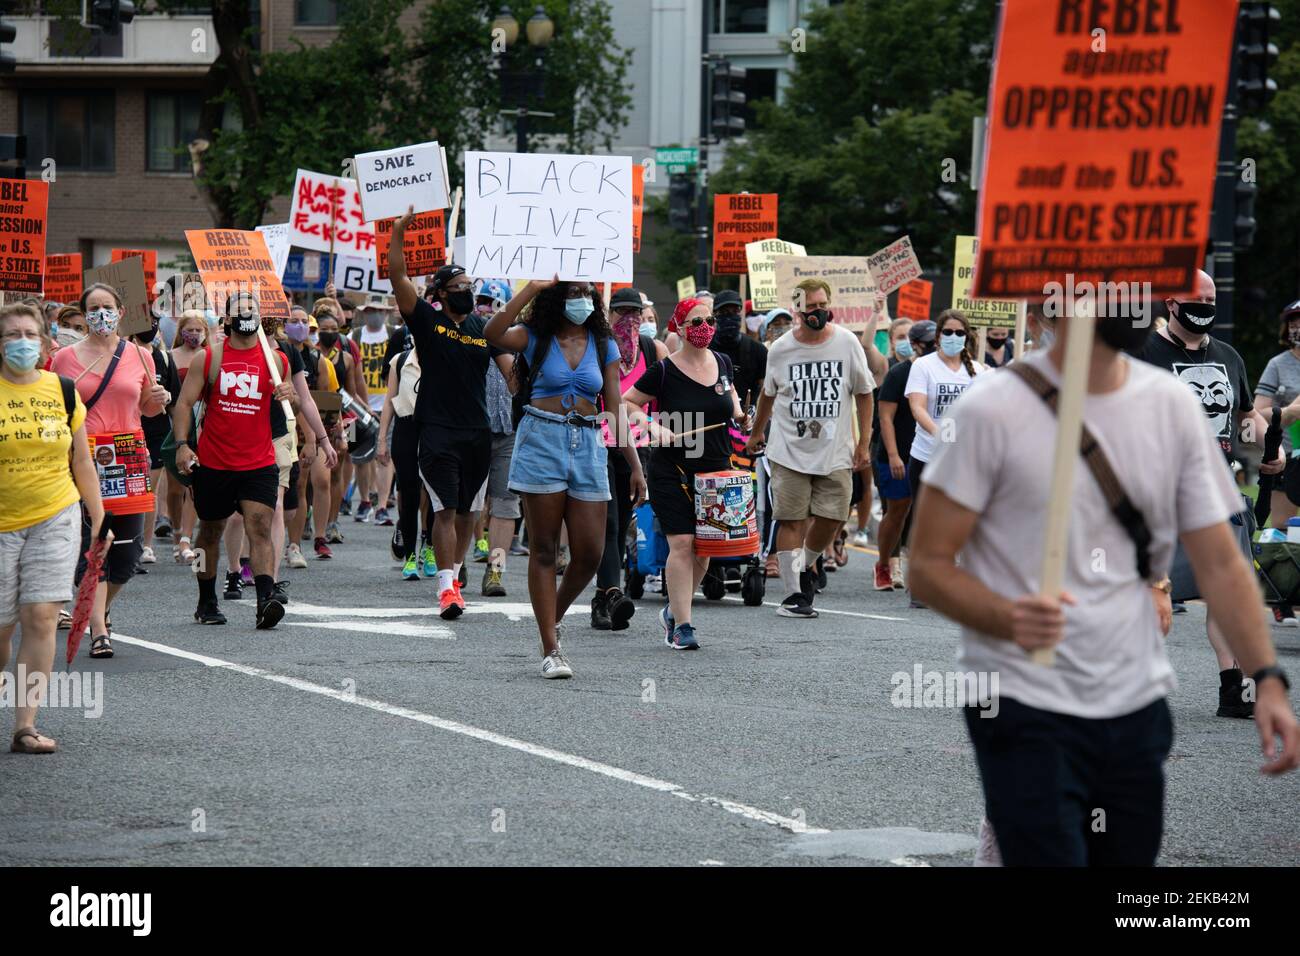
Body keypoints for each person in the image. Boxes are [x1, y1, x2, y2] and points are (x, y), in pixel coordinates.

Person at [909, 300, 1300, 867]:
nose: (1123, 295)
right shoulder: (991, 408)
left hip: (1134, 701)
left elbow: (1221, 564)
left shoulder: (1170, 406)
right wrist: (1006, 616)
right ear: (1049, 307)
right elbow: (927, 564)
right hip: (1021, 700)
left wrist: (1267, 677)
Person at [1135, 269, 1283, 715]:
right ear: (1171, 304)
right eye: (1195, 299)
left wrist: (1271, 445)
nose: (1205, 306)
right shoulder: (1142, 352)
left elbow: (1245, 417)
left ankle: (1232, 687)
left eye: (1211, 298)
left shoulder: (1228, 356)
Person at [485, 276, 646, 677]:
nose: (583, 300)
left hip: (589, 446)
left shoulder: (604, 345)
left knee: (590, 552)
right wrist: (531, 289)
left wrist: (635, 463)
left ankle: (549, 616)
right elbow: (492, 333)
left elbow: (613, 407)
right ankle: (551, 647)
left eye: (588, 294)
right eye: (574, 293)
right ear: (557, 299)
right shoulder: (535, 336)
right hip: (542, 439)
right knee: (543, 549)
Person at [0, 304, 106, 753]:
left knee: (42, 617)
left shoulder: (62, 391)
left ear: (45, 344)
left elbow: (80, 459)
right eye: (10, 334)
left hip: (55, 514)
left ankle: (25, 725)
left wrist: (99, 517)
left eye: (29, 333)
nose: (21, 341)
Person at [388, 210, 503, 621]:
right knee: (445, 510)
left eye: (470, 286)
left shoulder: (481, 328)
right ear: (440, 292)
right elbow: (399, 278)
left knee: (471, 511)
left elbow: (508, 366)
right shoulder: (426, 320)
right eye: (459, 287)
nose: (467, 291)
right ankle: (446, 588)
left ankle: (456, 573)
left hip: (478, 432)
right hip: (436, 430)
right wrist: (398, 234)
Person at [51, 283, 168, 660]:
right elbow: (55, 408)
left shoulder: (139, 354)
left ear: (120, 310)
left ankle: (100, 608)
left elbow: (148, 410)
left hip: (129, 454)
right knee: (94, 544)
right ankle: (99, 631)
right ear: (83, 314)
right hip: (83, 457)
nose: (101, 314)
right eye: (93, 308)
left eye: (107, 307)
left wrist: (159, 399)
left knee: (128, 551)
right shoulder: (66, 358)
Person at [745, 279, 873, 618]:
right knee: (791, 519)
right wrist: (757, 432)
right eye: (810, 307)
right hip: (788, 450)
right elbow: (768, 394)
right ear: (798, 310)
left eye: (821, 305)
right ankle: (792, 596)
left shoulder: (847, 343)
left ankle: (805, 564)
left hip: (835, 451)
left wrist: (864, 442)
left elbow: (864, 392)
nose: (817, 312)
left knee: (834, 515)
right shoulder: (781, 349)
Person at [170, 292, 295, 629]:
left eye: (252, 309)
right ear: (225, 320)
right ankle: (205, 599)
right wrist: (182, 445)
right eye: (239, 310)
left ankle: (265, 599)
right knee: (208, 532)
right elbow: (183, 404)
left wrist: (289, 394)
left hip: (259, 461)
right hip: (214, 462)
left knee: (260, 527)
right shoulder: (208, 359)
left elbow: (292, 398)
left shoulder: (277, 361)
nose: (246, 315)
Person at [623, 297, 741, 650]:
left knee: (705, 549)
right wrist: (652, 427)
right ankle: (683, 626)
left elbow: (730, 401)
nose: (704, 327)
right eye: (695, 322)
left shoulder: (723, 362)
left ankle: (676, 610)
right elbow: (627, 403)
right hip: (672, 467)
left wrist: (741, 415)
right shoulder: (663, 370)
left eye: (709, 320)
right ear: (679, 327)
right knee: (682, 543)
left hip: (716, 468)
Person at [594, 287, 668, 629]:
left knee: (623, 522)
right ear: (610, 315)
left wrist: (661, 431)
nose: (630, 320)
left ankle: (602, 599)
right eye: (622, 311)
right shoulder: (598, 348)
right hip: (598, 445)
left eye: (635, 312)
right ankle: (612, 594)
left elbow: (668, 399)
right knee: (606, 523)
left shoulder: (654, 351)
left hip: (637, 449)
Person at [904, 308, 985, 606]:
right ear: (938, 336)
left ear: (967, 337)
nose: (953, 337)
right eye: (948, 332)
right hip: (927, 454)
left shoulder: (976, 370)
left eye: (959, 333)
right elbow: (918, 406)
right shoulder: (924, 367)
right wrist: (939, 433)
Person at [873, 319, 932, 590]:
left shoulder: (941, 372)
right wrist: (895, 455)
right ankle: (884, 563)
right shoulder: (899, 373)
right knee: (896, 512)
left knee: (923, 513)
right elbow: (885, 418)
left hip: (929, 454)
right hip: (895, 455)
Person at [472, 279, 520, 597]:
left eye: (492, 302)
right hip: (471, 430)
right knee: (466, 504)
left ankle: (496, 571)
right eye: (481, 300)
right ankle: (455, 565)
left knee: (505, 505)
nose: (484, 307)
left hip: (508, 432)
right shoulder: (464, 333)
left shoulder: (518, 339)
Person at [282, 310, 340, 565]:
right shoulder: (279, 354)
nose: (300, 326)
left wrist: (330, 437)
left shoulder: (318, 359)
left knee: (322, 481)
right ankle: (291, 543)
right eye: (294, 322)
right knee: (296, 485)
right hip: (286, 429)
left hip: (313, 431)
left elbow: (326, 402)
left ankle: (318, 538)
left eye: (305, 322)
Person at [853, 318, 914, 548]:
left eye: (910, 336)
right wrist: (876, 312)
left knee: (913, 510)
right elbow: (866, 346)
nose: (906, 341)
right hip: (885, 446)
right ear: (890, 341)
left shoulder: (926, 368)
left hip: (914, 446)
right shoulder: (886, 367)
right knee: (893, 506)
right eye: (900, 337)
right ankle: (891, 563)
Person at [1253, 299, 1300, 543]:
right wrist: (1290, 412)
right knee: (1284, 531)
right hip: (1288, 458)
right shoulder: (1278, 365)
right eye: (1294, 321)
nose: (1298, 326)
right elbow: (1255, 415)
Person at [135, 314, 180, 566]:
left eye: (153, 321)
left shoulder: (163, 358)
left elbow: (176, 400)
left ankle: (146, 544)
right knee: (134, 490)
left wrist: (182, 437)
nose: (148, 326)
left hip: (158, 432)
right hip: (130, 429)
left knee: (149, 489)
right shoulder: (123, 356)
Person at [351, 294, 396, 526]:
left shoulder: (394, 334)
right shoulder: (354, 336)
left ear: (386, 313)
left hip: (388, 406)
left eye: (378, 310)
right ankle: (365, 500)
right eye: (369, 310)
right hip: (358, 408)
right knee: (359, 458)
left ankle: (381, 505)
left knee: (384, 457)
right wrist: (360, 403)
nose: (374, 314)